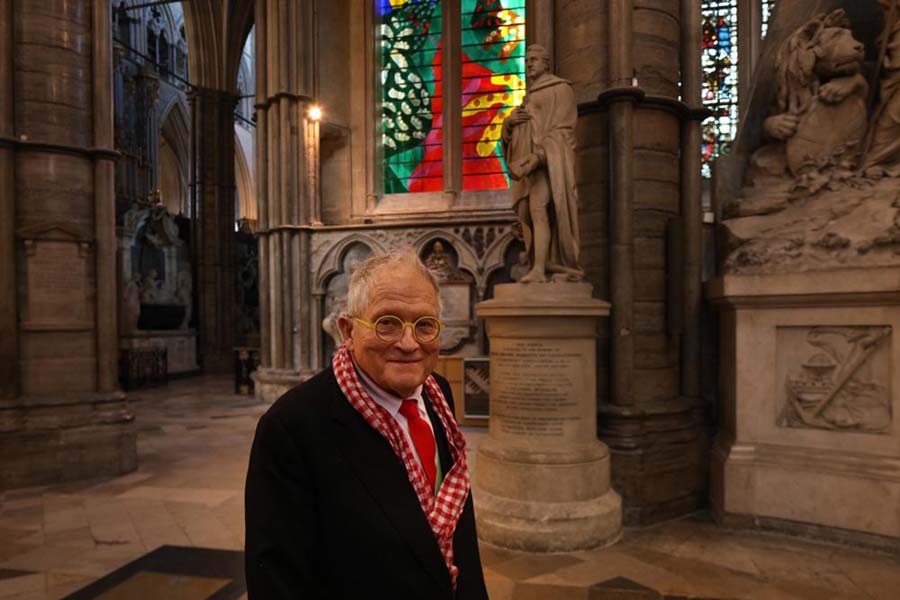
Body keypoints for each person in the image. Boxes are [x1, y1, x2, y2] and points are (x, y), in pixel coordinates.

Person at [244, 248, 488, 600]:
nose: (408, 343)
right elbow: (277, 583)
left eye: (425, 326)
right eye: (387, 323)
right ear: (347, 330)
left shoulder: (439, 395)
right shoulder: (291, 427)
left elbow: (456, 533)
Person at [501, 44, 583, 283]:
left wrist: (538, 157)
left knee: (539, 210)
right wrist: (508, 123)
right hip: (527, 168)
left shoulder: (561, 89)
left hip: (546, 165)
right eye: (526, 60)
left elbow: (564, 131)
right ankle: (542, 262)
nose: (529, 64)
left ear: (546, 63)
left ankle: (540, 269)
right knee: (526, 213)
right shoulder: (530, 95)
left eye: (534, 60)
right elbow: (519, 130)